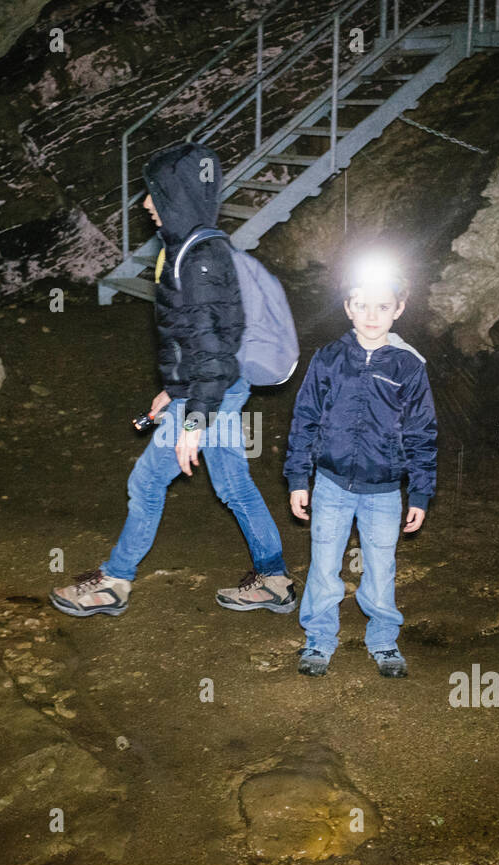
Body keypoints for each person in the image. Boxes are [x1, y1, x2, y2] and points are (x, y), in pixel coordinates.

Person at [50, 142, 295, 618]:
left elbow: (210, 348)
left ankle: (115, 582)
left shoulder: (198, 258)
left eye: (153, 193)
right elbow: (205, 338)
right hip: (218, 385)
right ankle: (274, 579)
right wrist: (174, 390)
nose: (145, 204)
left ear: (178, 194)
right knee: (233, 486)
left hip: (214, 391)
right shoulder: (194, 247)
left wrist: (193, 421)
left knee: (146, 482)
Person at [283, 256, 438, 677]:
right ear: (348, 307)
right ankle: (318, 638)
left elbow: (422, 432)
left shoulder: (409, 365)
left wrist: (420, 491)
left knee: (382, 566)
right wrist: (299, 477)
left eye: (383, 307)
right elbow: (305, 419)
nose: (372, 316)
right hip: (331, 484)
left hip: (385, 489)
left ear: (398, 309)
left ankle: (384, 640)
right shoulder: (329, 358)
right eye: (362, 305)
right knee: (325, 563)